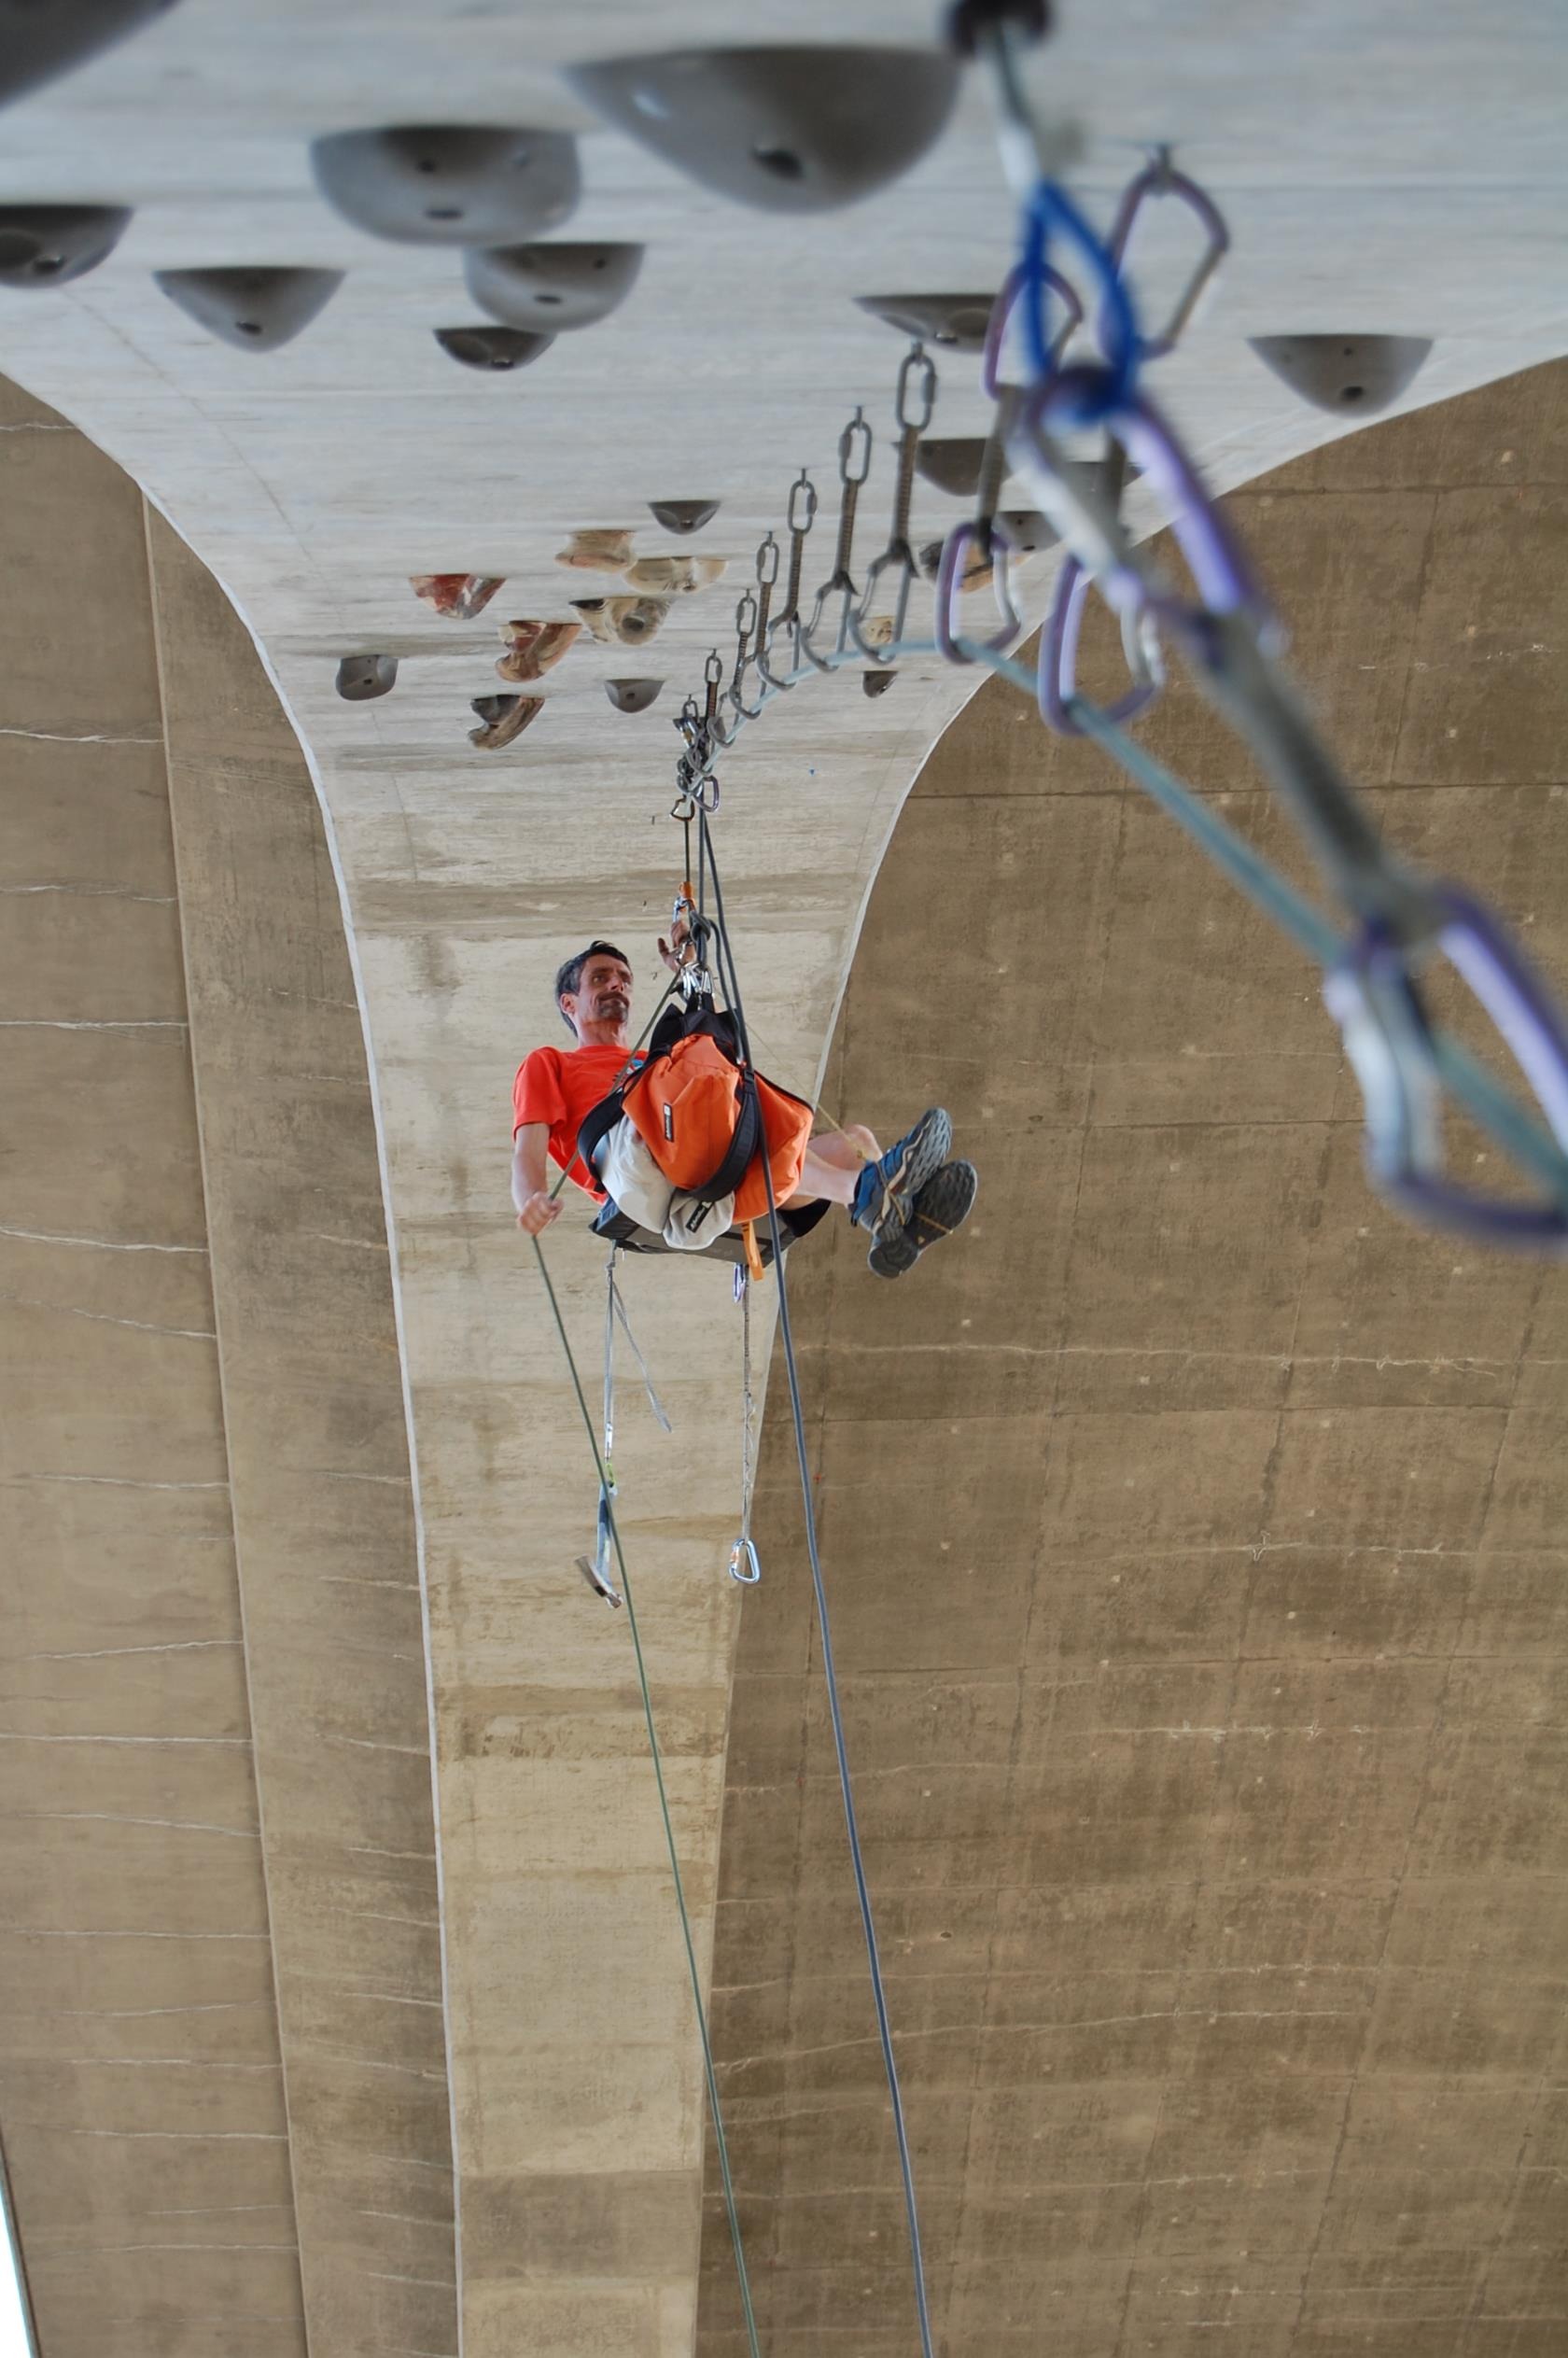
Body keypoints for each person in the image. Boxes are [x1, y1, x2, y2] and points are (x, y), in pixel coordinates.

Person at [511, 937, 977, 1277]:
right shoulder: (549, 1063)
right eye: (600, 978)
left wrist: (694, 980)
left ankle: (892, 1215)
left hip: (695, 1154)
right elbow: (527, 1151)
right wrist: (530, 1197)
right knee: (708, 1072)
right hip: (630, 1163)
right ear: (568, 1002)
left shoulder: (650, 1062)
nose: (617, 984)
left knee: (854, 1141)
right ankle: (876, 1197)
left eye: (624, 979)